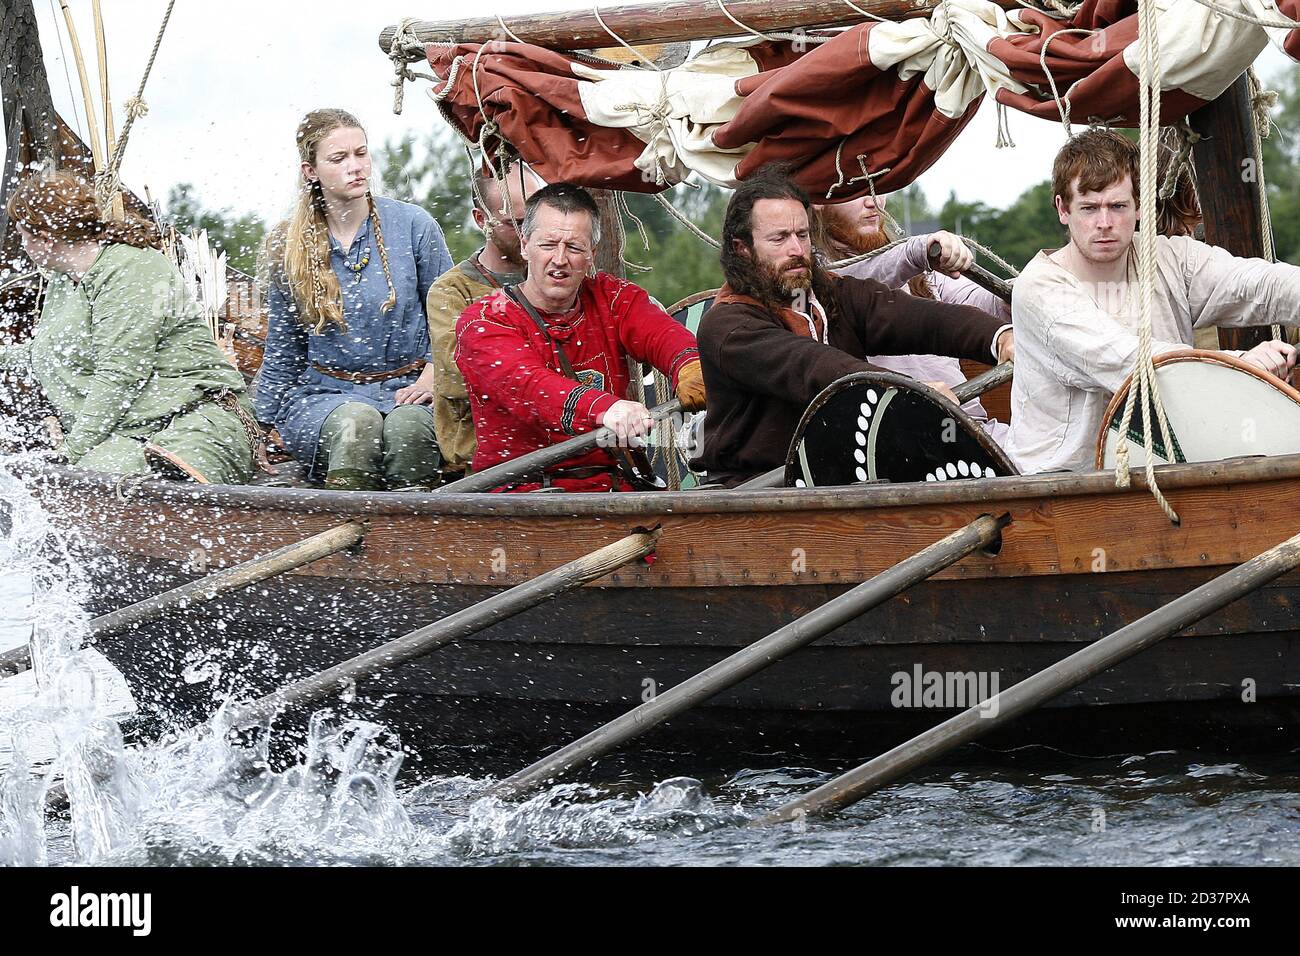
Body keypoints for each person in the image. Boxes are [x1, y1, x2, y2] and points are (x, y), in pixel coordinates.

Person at [692, 165, 1014, 487]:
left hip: (832, 479)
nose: (796, 250)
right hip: (756, 492)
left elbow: (919, 319)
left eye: (802, 235)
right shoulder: (729, 327)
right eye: (779, 239)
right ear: (742, 249)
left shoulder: (830, 292)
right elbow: (814, 367)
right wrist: (910, 393)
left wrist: (999, 337)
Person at [1008, 128, 1300, 474]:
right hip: (1061, 489)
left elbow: (1261, 286)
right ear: (1063, 209)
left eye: (1118, 206)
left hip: (1163, 471)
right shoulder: (1040, 289)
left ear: (1140, 206)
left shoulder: (1169, 258)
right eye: (1089, 208)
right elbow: (1133, 363)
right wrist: (1243, 364)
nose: (1104, 223)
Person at [1, 171, 255, 483]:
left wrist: (70, 450)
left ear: (46, 237)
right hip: (127, 432)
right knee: (83, 485)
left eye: (24, 235)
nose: (22, 245)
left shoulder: (131, 268)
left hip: (194, 421)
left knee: (110, 482)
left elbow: (119, 373)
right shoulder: (62, 281)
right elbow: (47, 353)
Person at [454, 183, 706, 492]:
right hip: (520, 497)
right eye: (548, 244)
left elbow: (662, 333)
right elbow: (532, 388)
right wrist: (606, 409)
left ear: (592, 254)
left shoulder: (614, 299)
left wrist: (689, 363)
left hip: (612, 491)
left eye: (574, 247)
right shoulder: (484, 321)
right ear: (525, 245)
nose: (560, 259)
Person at [254, 108, 452, 490]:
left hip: (412, 386)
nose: (356, 166)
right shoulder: (289, 246)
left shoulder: (413, 226)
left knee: (408, 431)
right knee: (356, 427)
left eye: (361, 153)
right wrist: (259, 423)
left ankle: (413, 541)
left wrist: (434, 373)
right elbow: (284, 350)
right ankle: (350, 536)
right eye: (339, 158)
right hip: (324, 397)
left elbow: (451, 320)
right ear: (310, 171)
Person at [814, 193, 1010, 444]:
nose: (874, 202)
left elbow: (981, 301)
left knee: (1058, 454)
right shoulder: (815, 276)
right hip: (907, 444)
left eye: (878, 188)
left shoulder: (917, 271)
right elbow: (856, 286)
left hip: (968, 427)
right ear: (819, 198)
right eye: (857, 191)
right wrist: (920, 250)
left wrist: (1019, 293)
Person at [426, 161, 541, 477]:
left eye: (534, 220)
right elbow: (458, 375)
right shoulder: (451, 291)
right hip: (485, 459)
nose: (528, 234)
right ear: (481, 220)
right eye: (514, 222)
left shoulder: (560, 275)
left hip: (559, 448)